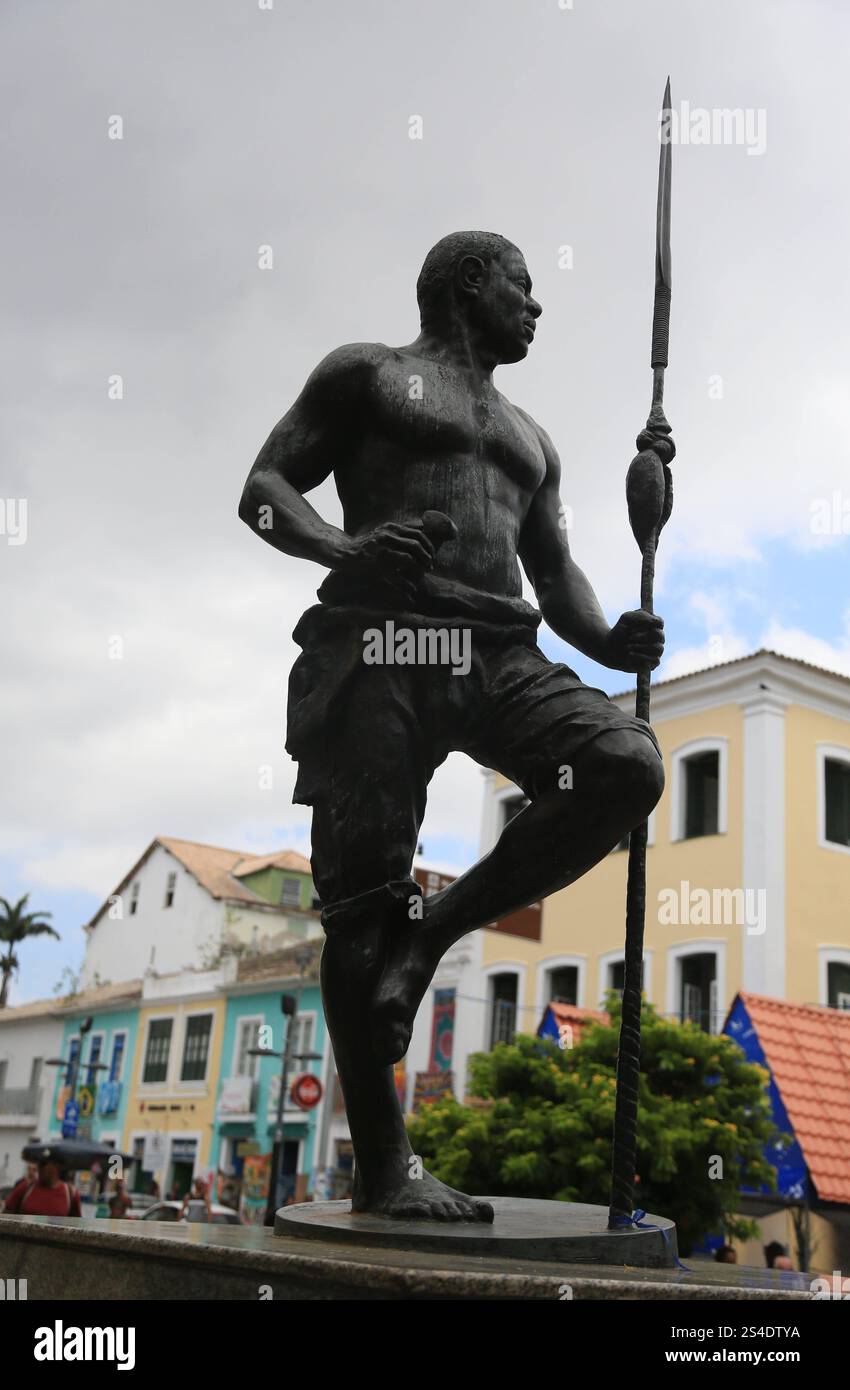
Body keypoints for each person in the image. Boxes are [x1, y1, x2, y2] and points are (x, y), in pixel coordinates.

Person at [239, 230, 669, 1221]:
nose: (535, 306)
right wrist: (345, 547)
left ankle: (431, 935)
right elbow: (261, 494)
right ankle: (385, 1168)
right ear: (471, 281)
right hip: (387, 642)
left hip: (495, 651)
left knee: (623, 764)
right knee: (361, 904)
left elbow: (553, 573)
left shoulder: (530, 438)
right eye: (522, 285)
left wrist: (611, 642)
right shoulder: (369, 376)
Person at [3, 1152, 81, 1217]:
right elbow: (5, 1216)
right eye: (40, 1164)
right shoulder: (26, 1187)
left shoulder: (71, 1193)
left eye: (44, 1164)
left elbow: (77, 1225)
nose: (40, 1168)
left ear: (57, 1167)